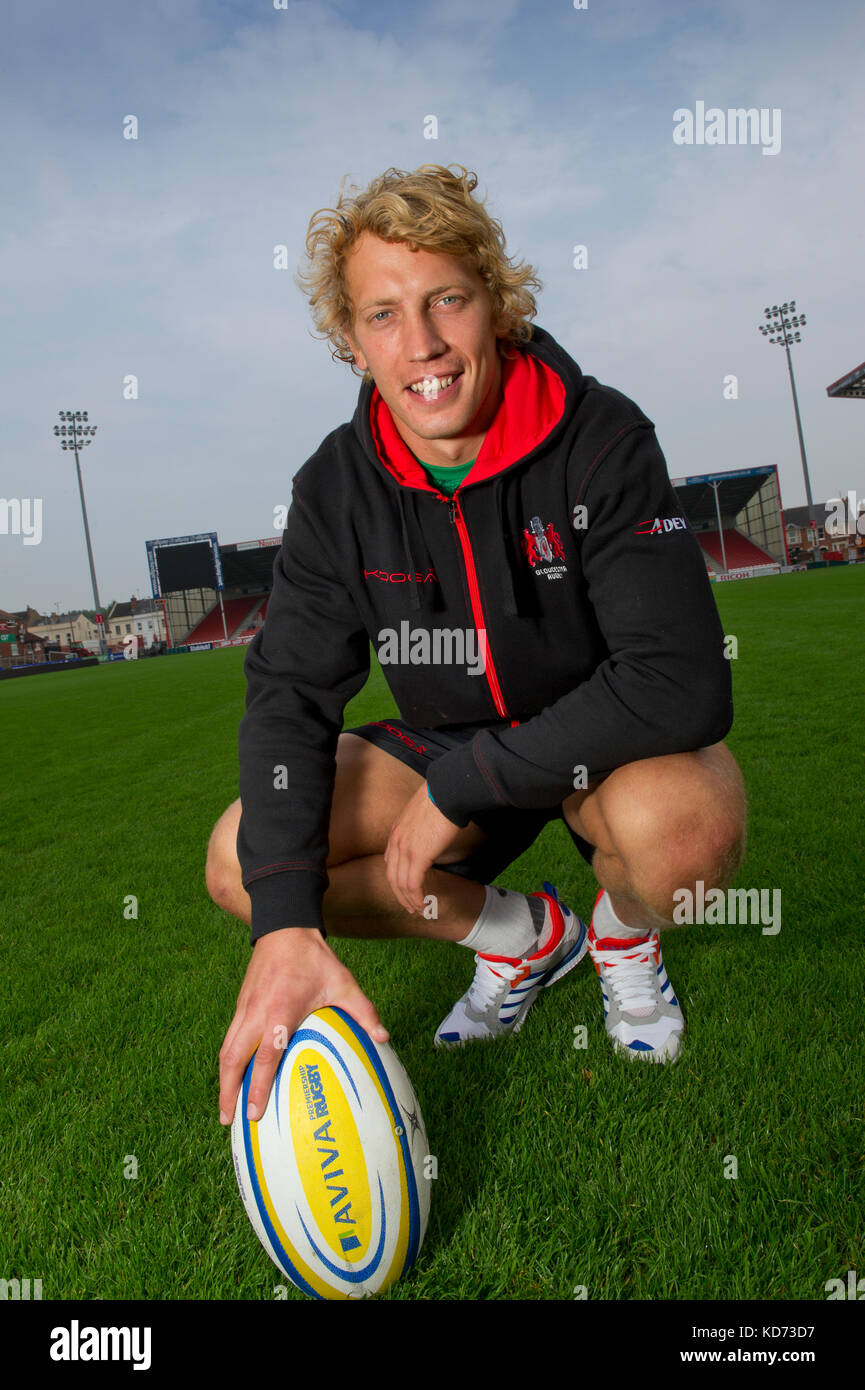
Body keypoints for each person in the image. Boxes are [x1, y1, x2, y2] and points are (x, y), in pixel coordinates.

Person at [207, 164, 746, 1129]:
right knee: (239, 859)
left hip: (598, 745)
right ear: (350, 340)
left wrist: (466, 787)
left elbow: (679, 682)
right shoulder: (334, 488)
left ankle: (621, 938)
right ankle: (521, 937)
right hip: (446, 739)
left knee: (687, 840)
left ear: (494, 303)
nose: (420, 344)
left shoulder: (599, 434)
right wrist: (286, 928)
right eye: (381, 315)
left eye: (444, 299)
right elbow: (288, 693)